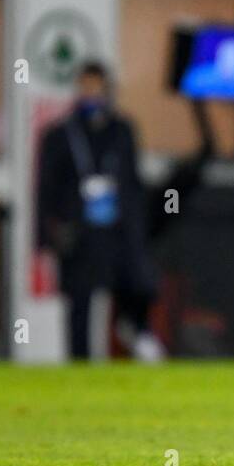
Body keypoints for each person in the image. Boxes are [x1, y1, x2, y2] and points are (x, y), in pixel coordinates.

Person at [37, 61, 163, 361]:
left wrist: (139, 232)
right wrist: (44, 239)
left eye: (96, 87)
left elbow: (133, 185)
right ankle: (79, 368)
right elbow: (45, 191)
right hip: (78, 234)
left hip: (116, 232)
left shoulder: (122, 131)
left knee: (136, 288)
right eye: (85, 87)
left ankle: (135, 338)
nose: (91, 94)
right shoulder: (59, 135)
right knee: (79, 307)